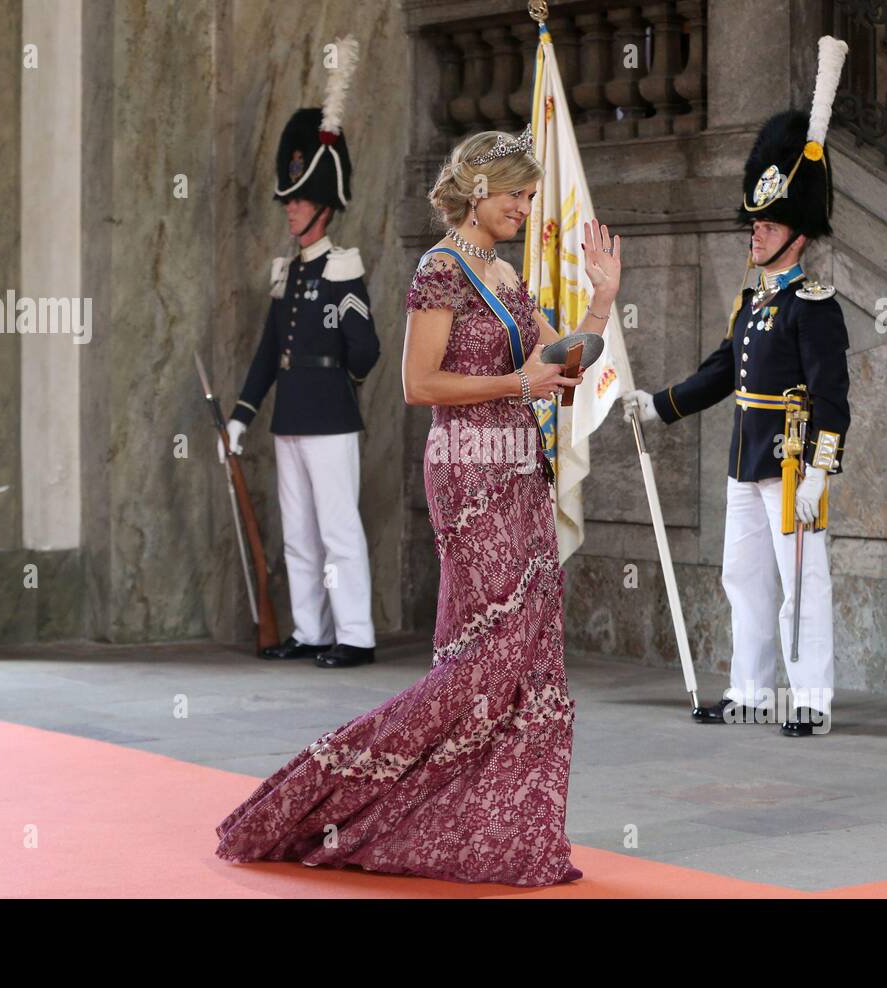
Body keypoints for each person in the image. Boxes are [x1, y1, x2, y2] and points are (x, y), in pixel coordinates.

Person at [215, 125, 622, 886]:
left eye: (531, 197)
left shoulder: (504, 274)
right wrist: (519, 384)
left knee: (530, 654)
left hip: (521, 473)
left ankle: (501, 831)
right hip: (468, 474)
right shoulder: (440, 270)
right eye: (516, 195)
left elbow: (561, 362)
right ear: (478, 190)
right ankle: (328, 795)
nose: (525, 209)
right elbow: (418, 384)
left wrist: (600, 303)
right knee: (486, 654)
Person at [622, 37, 852, 737]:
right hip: (745, 456)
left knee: (801, 581)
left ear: (798, 236)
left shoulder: (814, 306)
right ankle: (751, 690)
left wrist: (820, 471)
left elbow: (833, 397)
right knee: (743, 578)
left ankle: (810, 699)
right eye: (755, 224)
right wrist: (660, 406)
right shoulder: (753, 301)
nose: (756, 234)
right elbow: (724, 371)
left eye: (769, 225)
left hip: (791, 463)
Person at [219, 95, 380, 670]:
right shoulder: (287, 273)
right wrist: (241, 416)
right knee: (299, 535)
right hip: (289, 417)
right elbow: (269, 352)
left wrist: (342, 381)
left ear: (323, 209)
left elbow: (367, 349)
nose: (290, 209)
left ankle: (355, 635)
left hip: (330, 418)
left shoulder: (342, 268)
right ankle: (311, 630)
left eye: (300, 200)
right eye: (288, 200)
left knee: (338, 530)